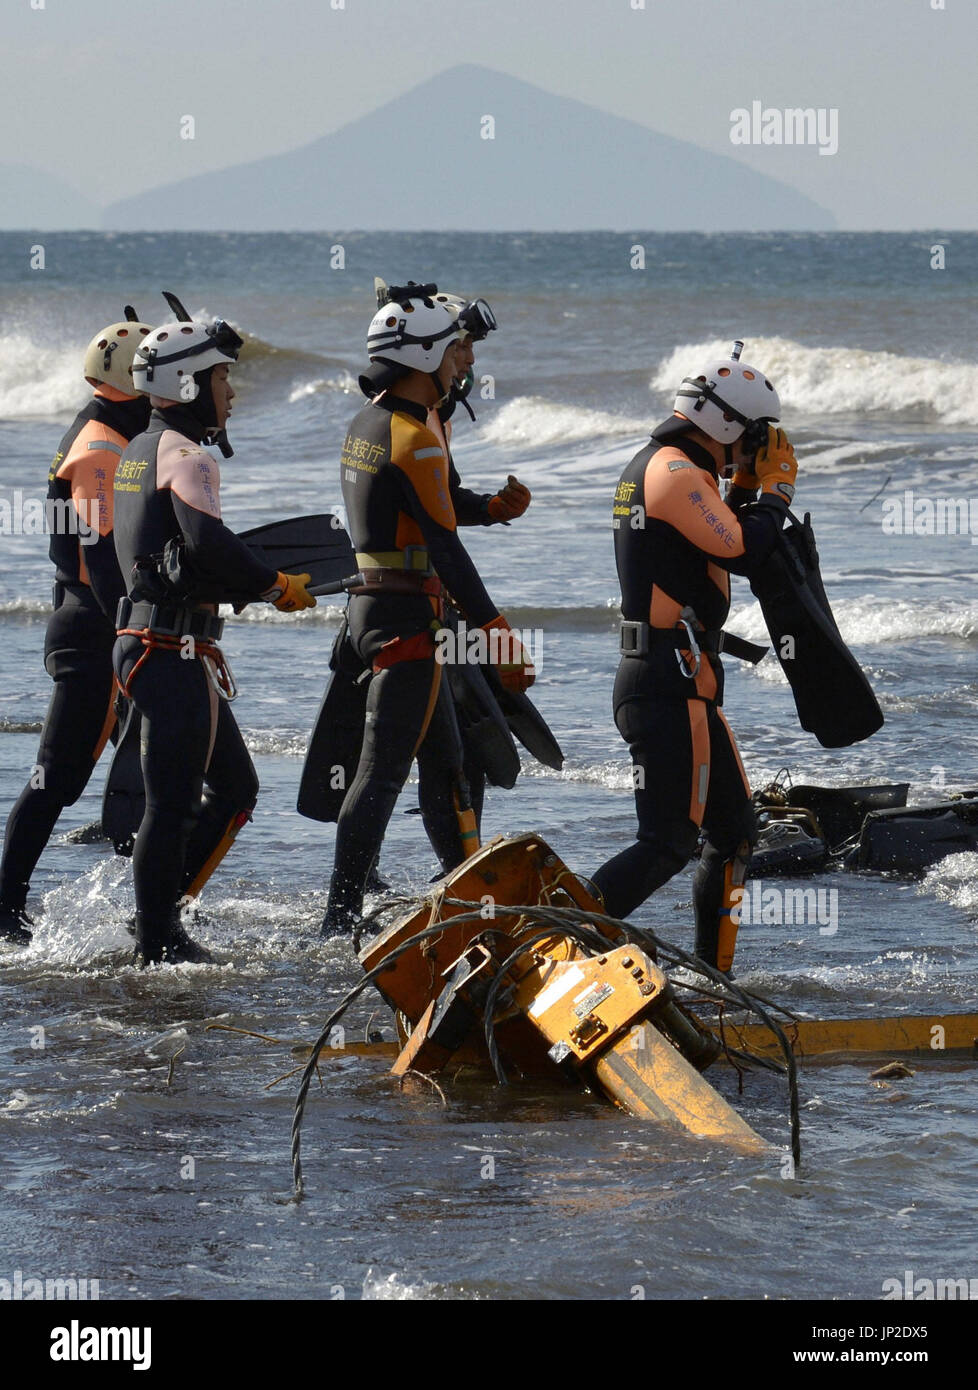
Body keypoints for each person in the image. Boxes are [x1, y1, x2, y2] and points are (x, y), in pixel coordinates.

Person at [321, 283, 535, 935]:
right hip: (407, 627)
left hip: (377, 611)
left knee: (445, 765)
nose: (461, 363)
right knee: (382, 777)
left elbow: (430, 509)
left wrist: (490, 509)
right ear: (425, 357)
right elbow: (441, 544)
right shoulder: (415, 437)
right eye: (453, 349)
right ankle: (338, 921)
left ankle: (467, 894)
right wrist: (498, 633)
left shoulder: (371, 421)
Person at [113, 303, 316, 965]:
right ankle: (158, 941)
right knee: (171, 803)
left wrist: (245, 584)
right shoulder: (190, 456)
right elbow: (209, 543)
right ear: (191, 384)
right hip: (170, 650)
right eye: (223, 379)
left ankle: (160, 916)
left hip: (144, 643)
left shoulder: (138, 450)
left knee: (234, 788)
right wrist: (274, 587)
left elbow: (173, 554)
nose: (232, 392)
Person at [590, 343, 798, 975]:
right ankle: (546, 940)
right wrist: (777, 490)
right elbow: (738, 548)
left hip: (679, 678)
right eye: (755, 437)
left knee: (733, 833)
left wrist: (744, 487)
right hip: (666, 681)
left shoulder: (673, 467)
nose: (758, 448)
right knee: (666, 843)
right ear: (731, 425)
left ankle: (714, 979)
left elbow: (703, 545)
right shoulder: (675, 471)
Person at [0, 310, 153, 944]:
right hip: (90, 630)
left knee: (67, 776)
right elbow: (97, 558)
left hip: (91, 625)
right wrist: (129, 627)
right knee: (56, 776)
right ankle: (5, 907)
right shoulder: (99, 446)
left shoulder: (108, 430)